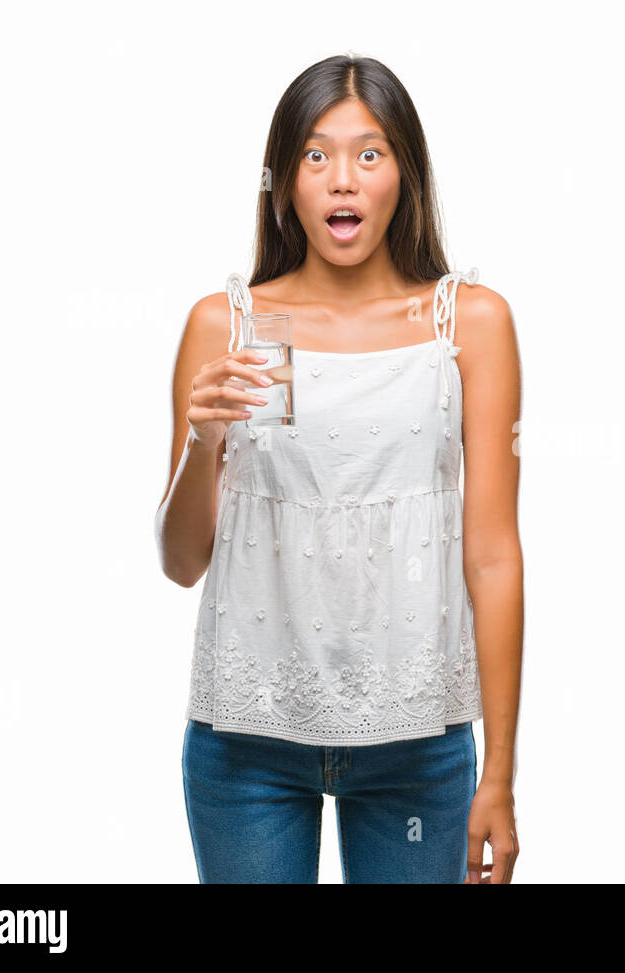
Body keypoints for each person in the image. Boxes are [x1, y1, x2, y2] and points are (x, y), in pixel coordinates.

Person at [154, 54, 523, 884]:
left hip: (418, 742)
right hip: (246, 746)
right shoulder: (224, 323)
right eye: (316, 156)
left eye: (370, 153)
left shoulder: (472, 323)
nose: (342, 180)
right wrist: (201, 440)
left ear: (406, 174)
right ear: (282, 181)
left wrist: (498, 772)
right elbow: (181, 564)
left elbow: (493, 555)